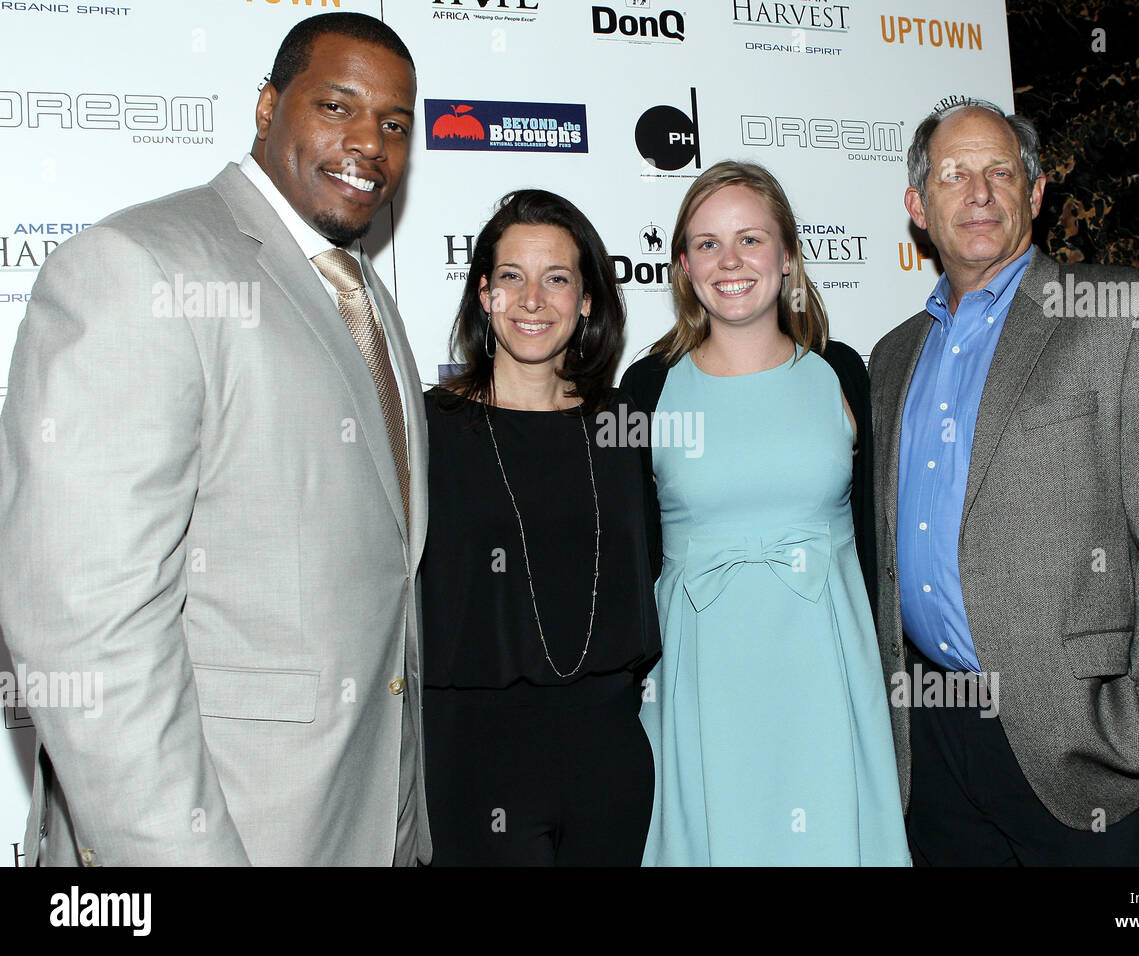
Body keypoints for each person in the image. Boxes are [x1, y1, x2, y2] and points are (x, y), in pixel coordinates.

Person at [0, 13, 429, 865]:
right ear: (268, 107)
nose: (369, 144)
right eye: (336, 106)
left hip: (362, 826)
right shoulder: (141, 265)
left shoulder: (368, 298)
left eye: (394, 124)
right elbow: (89, 625)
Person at [871, 99, 1139, 865]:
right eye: (953, 175)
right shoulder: (891, 358)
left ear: (1034, 195)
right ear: (917, 206)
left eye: (1000, 171)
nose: (978, 192)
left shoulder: (1126, 316)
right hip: (932, 743)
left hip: (1082, 743)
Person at [621, 160, 910, 866]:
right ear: (684, 266)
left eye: (751, 239)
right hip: (700, 681)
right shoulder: (646, 386)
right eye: (708, 243)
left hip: (827, 672)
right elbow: (632, 550)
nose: (731, 261)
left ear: (787, 256)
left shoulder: (843, 372)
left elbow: (880, 543)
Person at [421, 189, 660, 866]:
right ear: (483, 294)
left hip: (608, 750)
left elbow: (653, 561)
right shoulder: (428, 426)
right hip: (473, 755)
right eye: (511, 278)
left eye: (557, 279)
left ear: (586, 299)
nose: (533, 300)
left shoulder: (623, 423)